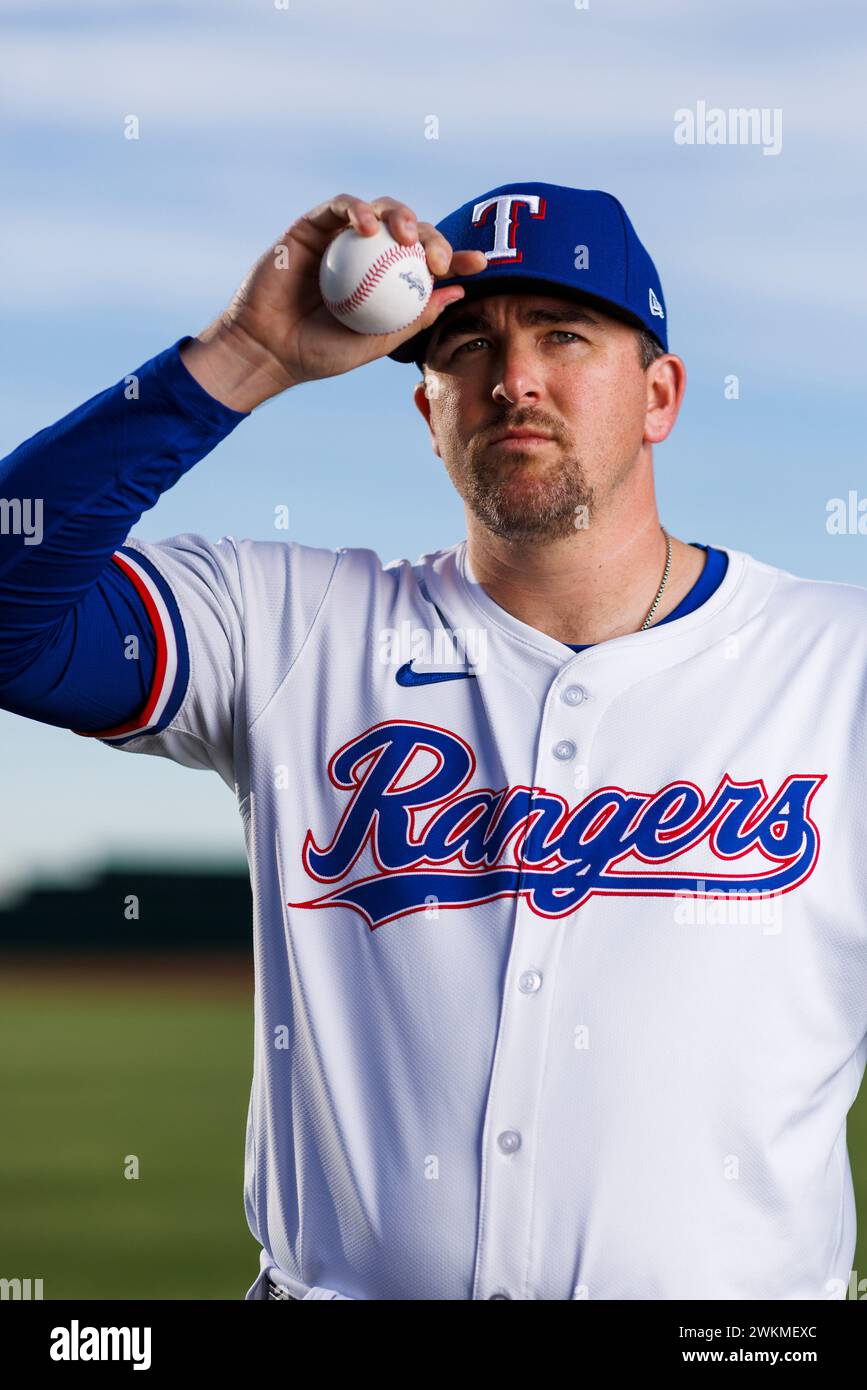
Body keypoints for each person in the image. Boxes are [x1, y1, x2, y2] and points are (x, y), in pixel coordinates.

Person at [0, 181, 864, 1301]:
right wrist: (245, 356)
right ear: (428, 413)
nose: (514, 379)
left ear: (659, 396)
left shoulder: (838, 660)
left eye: (563, 334)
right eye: (466, 347)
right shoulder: (290, 627)